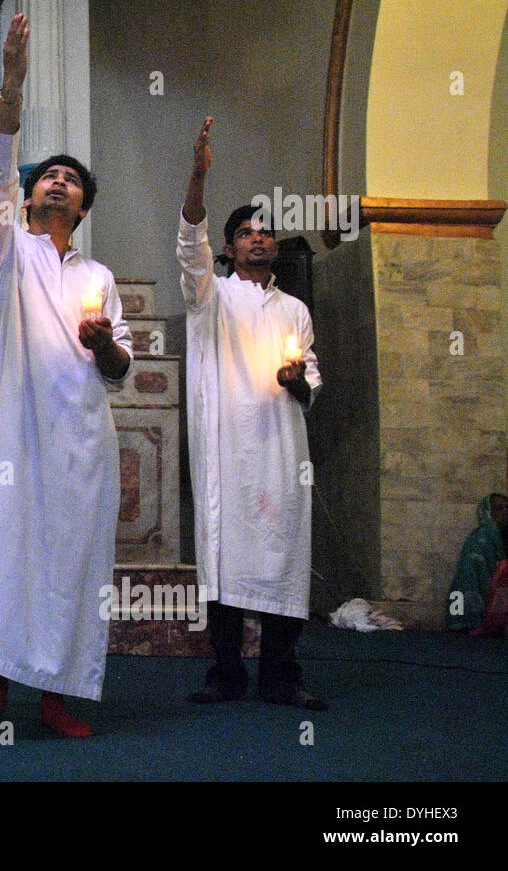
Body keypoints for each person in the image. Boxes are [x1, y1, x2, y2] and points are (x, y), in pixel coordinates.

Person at [0, 14, 133, 737]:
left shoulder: (97, 274)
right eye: (47, 178)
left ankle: (58, 696)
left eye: (70, 181)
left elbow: (121, 366)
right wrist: (13, 82)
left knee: (72, 566)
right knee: (9, 560)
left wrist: (101, 345)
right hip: (16, 439)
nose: (56, 184)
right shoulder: (4, 251)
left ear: (82, 207)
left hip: (83, 445)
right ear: (27, 199)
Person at [178, 117, 327, 711]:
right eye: (245, 232)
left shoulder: (294, 308)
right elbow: (190, 241)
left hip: (282, 450)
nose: (258, 239)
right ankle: (225, 673)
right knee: (225, 553)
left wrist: (298, 382)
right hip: (225, 447)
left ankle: (281, 676)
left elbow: (310, 372)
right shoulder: (208, 295)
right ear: (230, 246)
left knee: (282, 552)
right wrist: (197, 176)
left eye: (266, 232)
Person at [446, 493, 508, 632]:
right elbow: (469, 576)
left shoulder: (501, 537)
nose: (505, 511)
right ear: (488, 512)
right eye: (499, 508)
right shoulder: (481, 538)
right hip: (473, 614)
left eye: (507, 507)